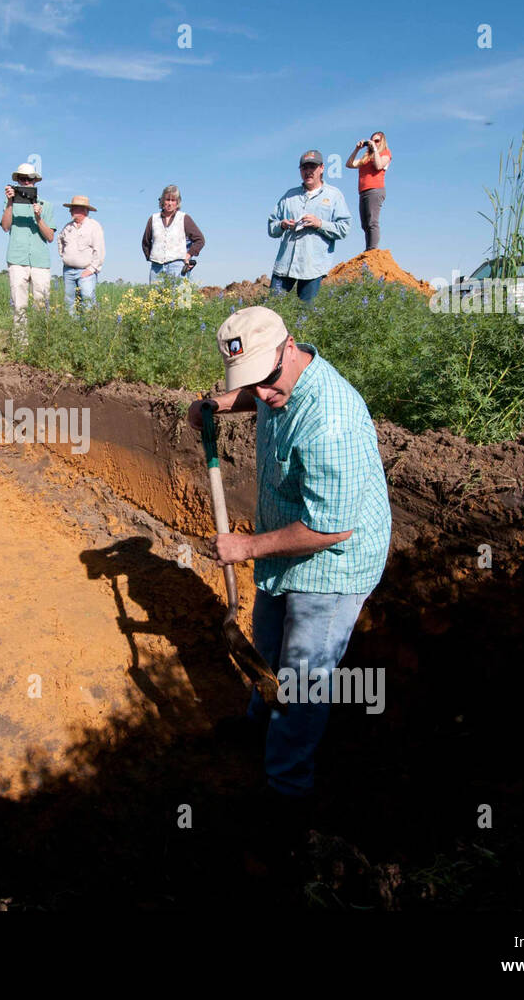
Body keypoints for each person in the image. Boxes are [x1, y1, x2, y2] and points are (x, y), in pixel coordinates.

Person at [188, 305, 390, 834]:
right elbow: (251, 392)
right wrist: (212, 405)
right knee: (267, 642)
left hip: (332, 562)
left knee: (302, 680)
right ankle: (259, 725)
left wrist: (246, 548)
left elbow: (332, 528)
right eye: (251, 382)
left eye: (269, 379)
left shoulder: (332, 419)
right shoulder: (272, 380)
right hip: (286, 550)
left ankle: (287, 792)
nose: (264, 394)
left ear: (291, 347)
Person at [267, 150, 352, 303]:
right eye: (304, 168)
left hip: (312, 267)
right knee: (272, 310)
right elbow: (271, 227)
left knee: (305, 317)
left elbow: (344, 228)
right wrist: (282, 225)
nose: (308, 172)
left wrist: (319, 224)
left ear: (322, 168)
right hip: (284, 265)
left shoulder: (334, 196)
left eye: (312, 167)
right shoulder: (289, 196)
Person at [1, 162, 56, 328]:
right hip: (17, 259)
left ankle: (40, 342)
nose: (26, 182)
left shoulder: (46, 206)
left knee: (41, 304)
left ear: (35, 181)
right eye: (22, 178)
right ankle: (21, 345)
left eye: (29, 179)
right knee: (19, 305)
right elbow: (5, 226)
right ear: (17, 180)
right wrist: (10, 202)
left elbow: (50, 237)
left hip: (40, 260)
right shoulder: (9, 204)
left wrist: (38, 217)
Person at [142, 184, 204, 283]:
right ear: (162, 201)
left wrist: (188, 255)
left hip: (177, 267)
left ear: (177, 202)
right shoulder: (153, 219)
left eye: (173, 200)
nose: (170, 203)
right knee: (155, 298)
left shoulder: (184, 218)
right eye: (167, 199)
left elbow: (200, 240)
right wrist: (151, 257)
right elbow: (146, 242)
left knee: (178, 298)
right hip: (156, 268)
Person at [57, 195, 105, 312]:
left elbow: (99, 250)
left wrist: (92, 269)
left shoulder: (94, 226)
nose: (70, 211)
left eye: (74, 208)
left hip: (86, 271)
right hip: (68, 271)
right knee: (69, 302)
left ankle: (87, 329)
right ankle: (73, 328)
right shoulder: (68, 227)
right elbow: (60, 240)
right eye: (71, 208)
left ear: (84, 210)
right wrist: (64, 257)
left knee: (87, 301)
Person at [346, 131, 391, 251]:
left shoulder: (385, 153)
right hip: (363, 191)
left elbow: (378, 166)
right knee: (365, 224)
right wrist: (357, 149)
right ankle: (368, 249)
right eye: (372, 141)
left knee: (372, 222)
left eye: (377, 141)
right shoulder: (366, 157)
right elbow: (349, 164)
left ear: (382, 142)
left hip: (375, 190)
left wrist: (375, 150)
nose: (373, 143)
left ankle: (372, 250)